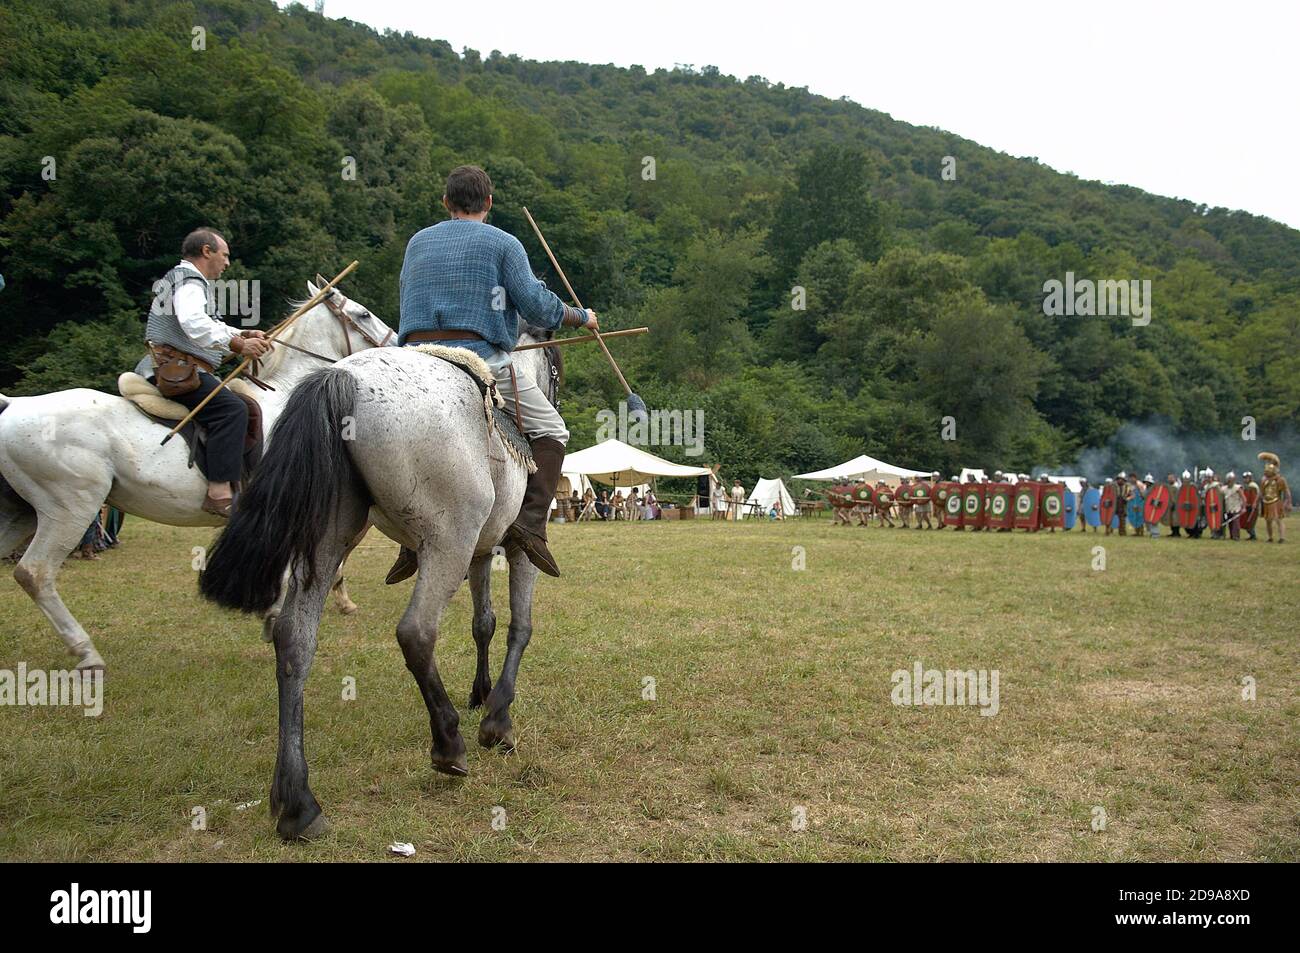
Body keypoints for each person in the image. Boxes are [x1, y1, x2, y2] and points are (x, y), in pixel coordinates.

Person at [388, 165, 598, 581]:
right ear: (489, 203)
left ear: (445, 202)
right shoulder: (503, 242)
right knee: (553, 430)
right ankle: (530, 526)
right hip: (477, 357)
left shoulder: (418, 242)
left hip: (412, 359)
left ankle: (408, 541)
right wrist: (580, 316)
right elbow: (537, 307)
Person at [136, 227, 272, 517]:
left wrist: (243, 332)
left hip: (176, 366)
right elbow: (194, 323)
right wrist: (238, 344)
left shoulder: (184, 279)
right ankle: (219, 492)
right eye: (224, 255)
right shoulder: (190, 281)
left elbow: (209, 323)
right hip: (178, 370)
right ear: (207, 251)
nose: (227, 263)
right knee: (232, 410)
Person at [1258, 452, 1290, 543]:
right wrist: (1256, 502)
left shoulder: (1280, 479)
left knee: (1278, 520)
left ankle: (1282, 538)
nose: (1266, 473)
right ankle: (1270, 537)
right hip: (1266, 501)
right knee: (1268, 521)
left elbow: (1286, 491)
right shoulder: (1264, 481)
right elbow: (1261, 492)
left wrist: (1288, 502)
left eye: (1268, 472)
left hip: (1276, 501)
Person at [1222, 472, 1245, 541]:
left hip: (1236, 508)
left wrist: (1244, 507)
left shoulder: (1237, 488)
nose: (1230, 481)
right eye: (1229, 480)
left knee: (1236, 523)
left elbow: (1243, 498)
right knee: (1230, 524)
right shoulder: (1224, 489)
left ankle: (1236, 536)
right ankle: (1232, 536)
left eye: (1231, 479)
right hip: (1228, 508)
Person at [1242, 470, 1261, 541]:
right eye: (1244, 478)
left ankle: (1253, 536)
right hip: (1248, 506)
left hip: (1253, 507)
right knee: (1248, 522)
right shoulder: (1247, 486)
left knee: (1251, 522)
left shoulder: (1252, 486)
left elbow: (1256, 496)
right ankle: (1251, 535)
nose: (1245, 479)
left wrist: (1254, 503)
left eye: (1246, 478)